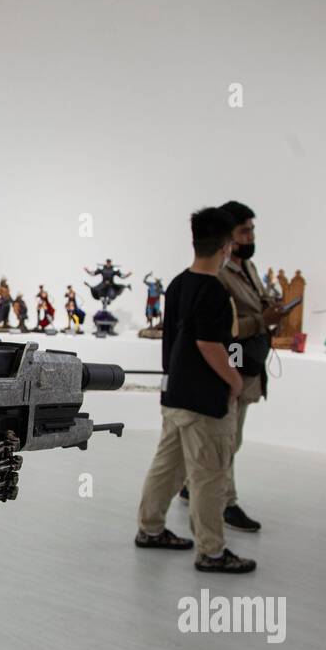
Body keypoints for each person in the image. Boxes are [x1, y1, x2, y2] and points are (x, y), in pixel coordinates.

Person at [135, 208, 256, 573]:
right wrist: (234, 381)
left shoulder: (177, 284)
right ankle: (212, 551)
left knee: (167, 467)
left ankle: (150, 528)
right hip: (205, 401)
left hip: (175, 394)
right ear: (225, 246)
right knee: (209, 476)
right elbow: (209, 344)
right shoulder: (214, 291)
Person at [178, 200, 286, 532]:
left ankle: (192, 487)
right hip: (234, 359)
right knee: (228, 437)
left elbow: (247, 309)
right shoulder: (218, 275)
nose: (251, 236)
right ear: (229, 237)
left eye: (252, 229)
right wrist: (260, 321)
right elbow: (226, 328)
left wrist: (269, 313)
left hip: (250, 360)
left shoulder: (247, 267)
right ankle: (225, 501)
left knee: (232, 437)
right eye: (245, 231)